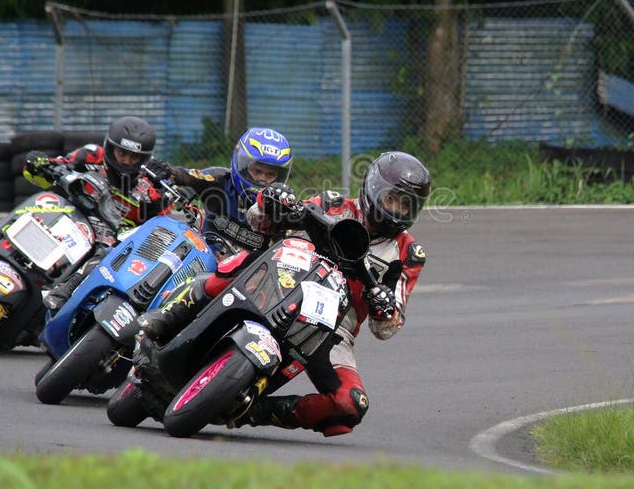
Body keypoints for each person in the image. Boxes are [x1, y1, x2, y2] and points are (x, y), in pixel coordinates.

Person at [136, 151, 431, 437]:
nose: (396, 210)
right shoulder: (331, 204)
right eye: (391, 199)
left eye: (406, 205)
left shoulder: (408, 253)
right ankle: (168, 316)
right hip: (284, 278)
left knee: (351, 403)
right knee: (243, 261)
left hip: (331, 328)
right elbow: (258, 219)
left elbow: (386, 327)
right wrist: (272, 200)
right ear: (373, 189)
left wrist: (382, 306)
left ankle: (256, 411)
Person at [22, 116, 170, 310]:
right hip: (71, 216)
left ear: (144, 159)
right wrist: (39, 165)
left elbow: (160, 231)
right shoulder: (91, 155)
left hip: (108, 239)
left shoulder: (152, 190)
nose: (126, 161)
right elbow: (55, 169)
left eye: (134, 157)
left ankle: (63, 293)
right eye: (122, 153)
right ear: (111, 148)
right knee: (39, 206)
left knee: (107, 253)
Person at [143, 126, 293, 256]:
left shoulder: (281, 206)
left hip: (248, 278)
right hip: (204, 260)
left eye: (270, 174)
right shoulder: (220, 179)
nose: (262, 180)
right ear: (241, 164)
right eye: (257, 171)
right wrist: (167, 171)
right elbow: (187, 176)